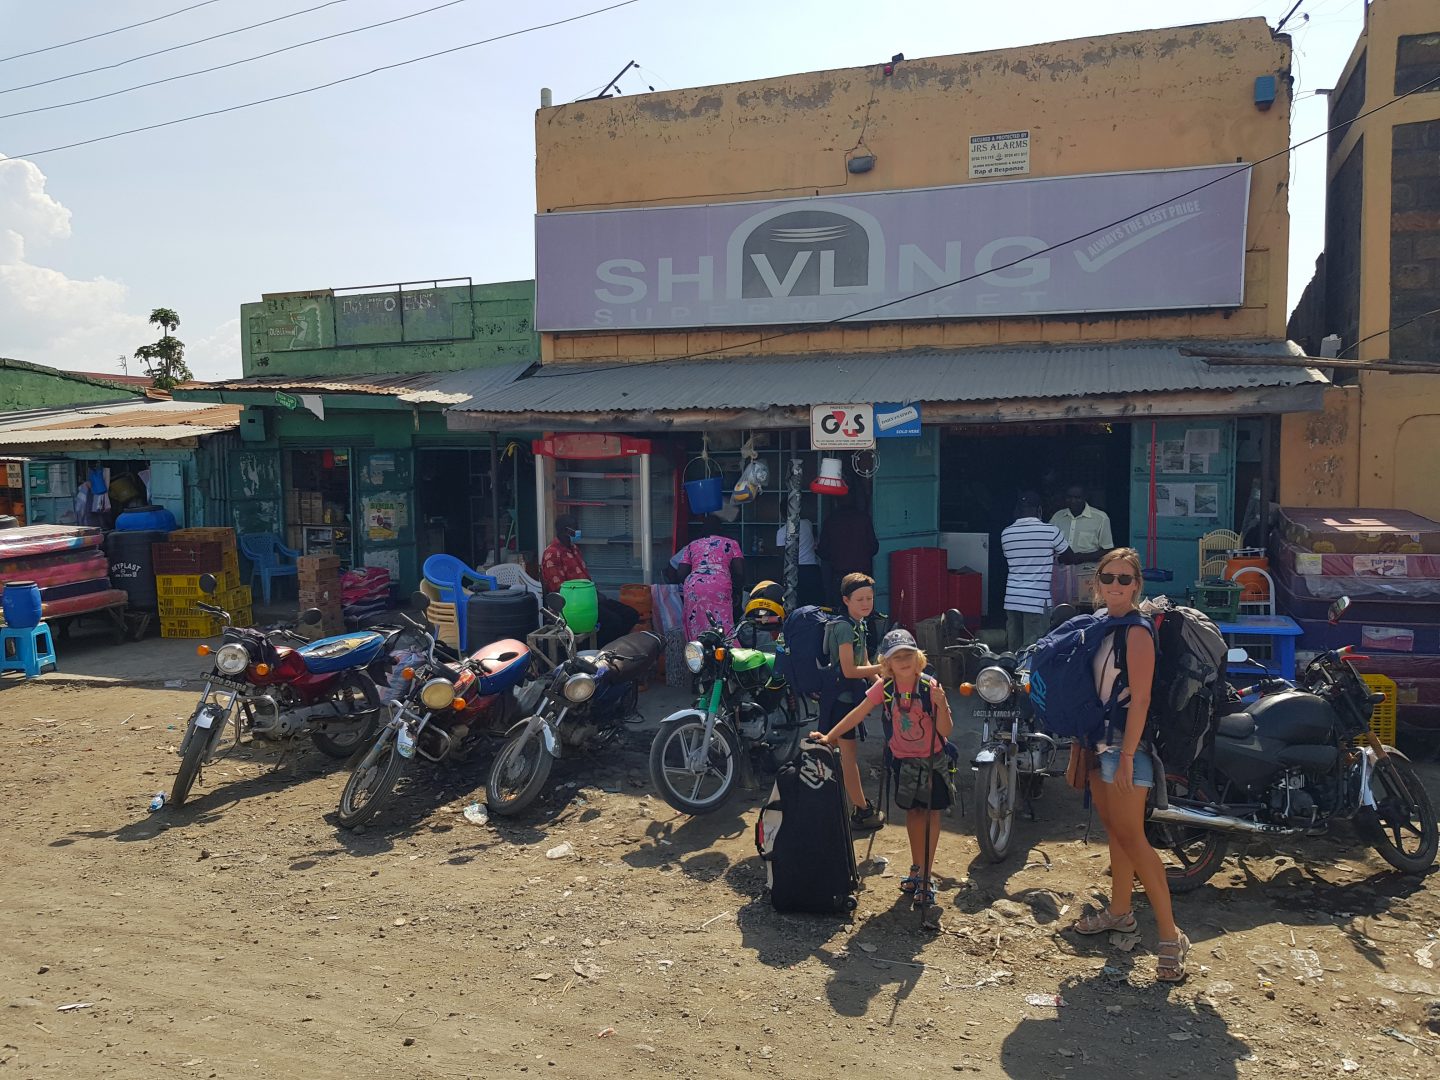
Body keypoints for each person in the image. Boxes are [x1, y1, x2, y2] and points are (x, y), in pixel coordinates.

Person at [1069, 547, 1189, 983]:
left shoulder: (1136, 631)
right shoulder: (1101, 626)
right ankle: (1120, 913)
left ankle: (1171, 937)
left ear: (1137, 586)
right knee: (1117, 834)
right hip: (1098, 741)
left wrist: (1124, 757)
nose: (1116, 586)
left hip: (1126, 746)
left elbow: (1140, 699)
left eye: (1125, 579)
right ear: (1096, 584)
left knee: (1135, 839)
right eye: (1108, 578)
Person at [814, 628, 953, 911]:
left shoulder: (929, 687)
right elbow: (859, 712)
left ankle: (926, 877)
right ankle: (917, 869)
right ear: (886, 663)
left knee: (930, 816)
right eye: (896, 656)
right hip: (903, 762)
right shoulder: (885, 688)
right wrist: (830, 736)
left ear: (918, 658)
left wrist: (944, 706)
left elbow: (946, 731)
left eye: (908, 655)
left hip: (933, 761)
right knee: (913, 815)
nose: (903, 661)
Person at [816, 573, 885, 831]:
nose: (866, 603)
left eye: (869, 598)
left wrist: (881, 682)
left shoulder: (860, 623)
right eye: (860, 599)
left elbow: (865, 663)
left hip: (848, 696)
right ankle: (861, 810)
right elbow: (849, 670)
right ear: (846, 600)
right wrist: (886, 668)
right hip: (839, 699)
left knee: (828, 752)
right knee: (847, 756)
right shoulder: (844, 627)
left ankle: (827, 805)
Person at [1001, 491, 1094, 651]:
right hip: (1036, 601)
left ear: (1018, 510)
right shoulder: (1050, 531)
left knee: (1013, 648)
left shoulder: (1006, 533)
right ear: (1039, 510)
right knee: (1032, 649)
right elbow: (1069, 557)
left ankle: (1009, 675)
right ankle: (1026, 676)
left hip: (1012, 599)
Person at [539, 514, 638, 643]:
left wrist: (594, 595)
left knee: (631, 614)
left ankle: (608, 646)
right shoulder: (552, 553)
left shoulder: (574, 548)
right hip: (573, 606)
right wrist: (588, 599)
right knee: (614, 622)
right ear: (565, 531)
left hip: (590, 599)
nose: (578, 531)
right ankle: (599, 650)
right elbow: (559, 589)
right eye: (575, 529)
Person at [672, 516, 744, 639]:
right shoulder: (731, 543)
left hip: (694, 585)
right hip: (719, 584)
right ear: (721, 529)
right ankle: (724, 653)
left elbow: (681, 573)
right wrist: (737, 591)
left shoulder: (692, 545)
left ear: (702, 530)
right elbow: (739, 572)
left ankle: (697, 653)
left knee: (695, 623)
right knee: (723, 623)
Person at [1049, 485, 1114, 605]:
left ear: (1085, 497)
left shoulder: (1100, 518)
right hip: (1060, 575)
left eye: (1077, 497)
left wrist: (1081, 557)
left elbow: (1108, 551)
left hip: (1086, 575)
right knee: (1059, 610)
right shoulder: (1057, 517)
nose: (1073, 501)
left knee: (1086, 610)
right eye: (1069, 497)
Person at [816, 494, 878, 607]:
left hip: (840, 574)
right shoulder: (863, 519)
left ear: (837, 502)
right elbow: (873, 548)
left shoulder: (831, 520)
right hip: (862, 574)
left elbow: (822, 552)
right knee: (864, 611)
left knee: (841, 611)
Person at [774, 517, 822, 607]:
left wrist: (779, 579)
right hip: (811, 568)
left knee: (797, 604)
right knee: (815, 603)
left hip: (794, 570)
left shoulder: (782, 531)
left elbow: (782, 557)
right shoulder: (807, 523)